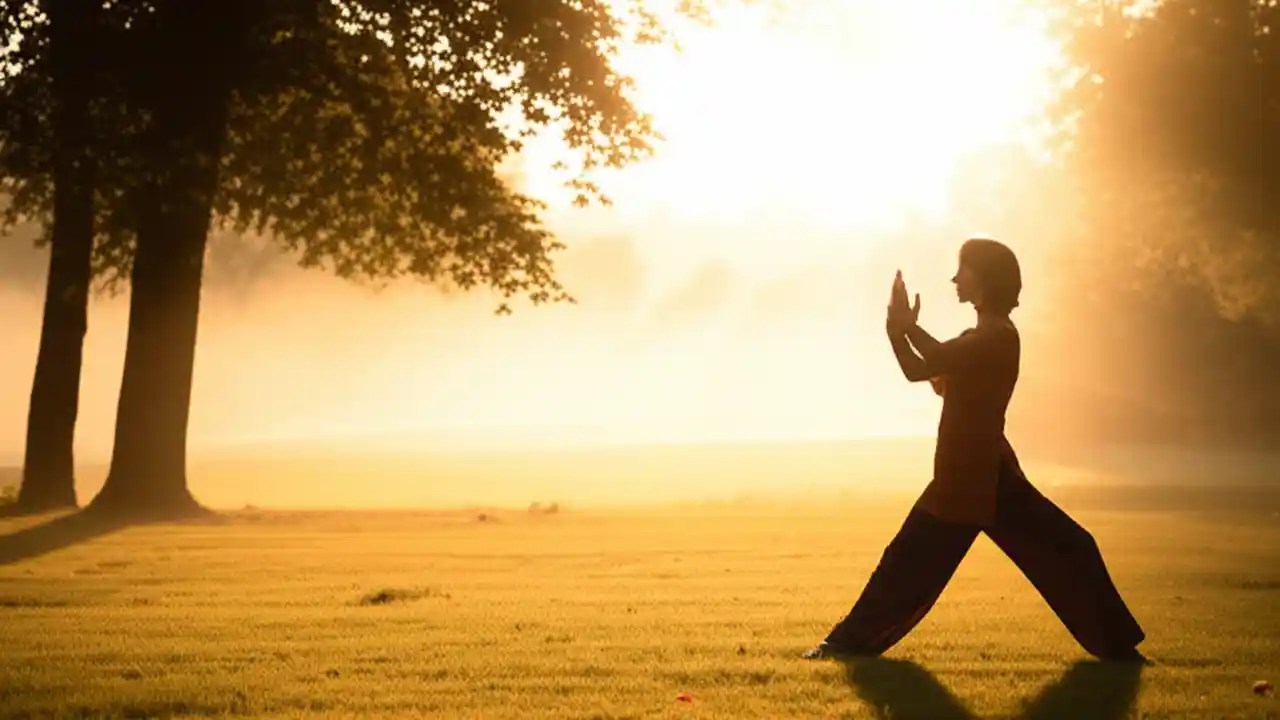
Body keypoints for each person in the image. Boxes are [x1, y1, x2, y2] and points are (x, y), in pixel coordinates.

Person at [803, 238, 1146, 662]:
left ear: (984, 280)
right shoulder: (981, 338)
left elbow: (934, 359)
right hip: (974, 474)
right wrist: (900, 332)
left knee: (913, 562)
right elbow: (922, 367)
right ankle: (842, 645)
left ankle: (841, 645)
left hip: (975, 478)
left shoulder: (997, 337)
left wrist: (904, 328)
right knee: (912, 562)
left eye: (962, 270)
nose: (954, 278)